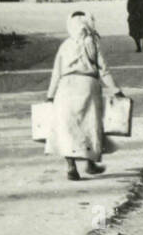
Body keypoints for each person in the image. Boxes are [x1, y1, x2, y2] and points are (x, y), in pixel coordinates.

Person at [46, 12, 124, 181]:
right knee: (89, 125)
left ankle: (71, 166)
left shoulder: (65, 45)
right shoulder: (92, 42)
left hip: (65, 88)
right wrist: (115, 89)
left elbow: (56, 72)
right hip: (87, 86)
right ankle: (90, 163)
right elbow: (103, 69)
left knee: (67, 128)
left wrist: (50, 95)